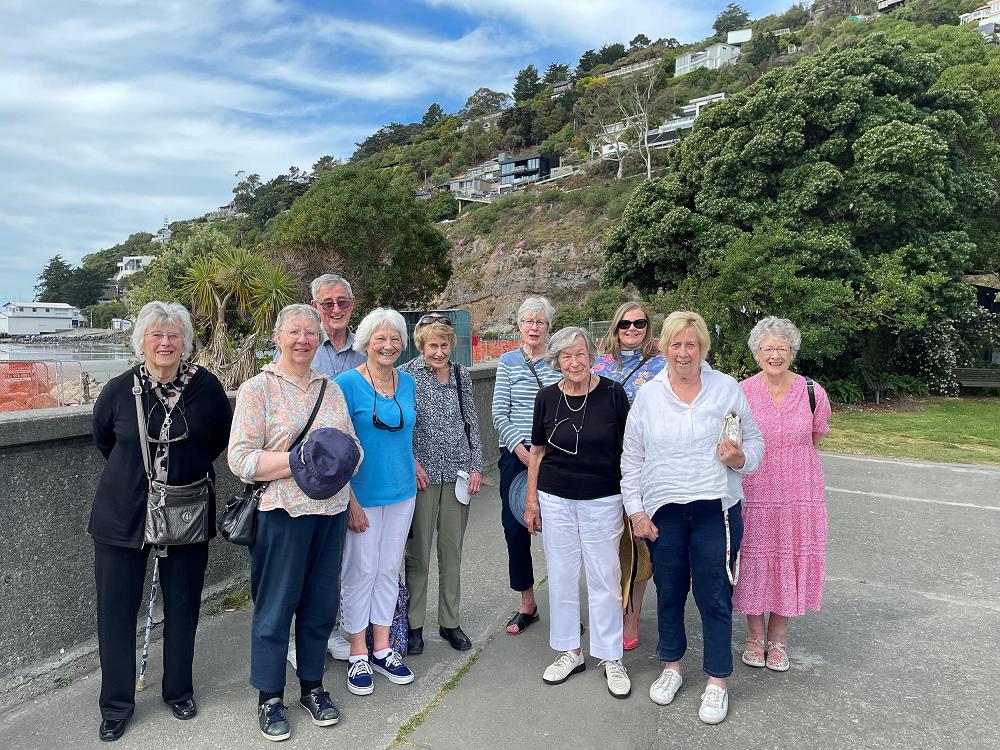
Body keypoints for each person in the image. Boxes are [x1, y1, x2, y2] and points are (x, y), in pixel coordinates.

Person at [90, 302, 232, 742]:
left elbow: (218, 440)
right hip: (122, 513)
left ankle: (178, 691)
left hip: (186, 510)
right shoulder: (119, 389)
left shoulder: (207, 389)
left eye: (173, 335)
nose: (165, 342)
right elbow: (104, 438)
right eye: (156, 334)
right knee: (116, 611)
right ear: (142, 342)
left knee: (184, 604)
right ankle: (116, 704)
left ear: (184, 341)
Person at [621, 311, 764, 725]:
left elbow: (754, 442)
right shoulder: (648, 396)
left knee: (714, 594)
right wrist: (636, 511)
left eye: (691, 344)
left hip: (715, 507)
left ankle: (717, 680)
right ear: (663, 347)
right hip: (664, 510)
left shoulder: (726, 388)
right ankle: (672, 666)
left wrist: (739, 458)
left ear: (703, 347)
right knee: (669, 591)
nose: (683, 352)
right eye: (676, 344)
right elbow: (631, 459)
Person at [228, 303, 360, 742]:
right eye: (294, 332)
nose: (303, 339)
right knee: (275, 608)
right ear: (278, 337)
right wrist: (305, 460)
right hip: (281, 513)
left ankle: (312, 687)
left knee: (320, 607)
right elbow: (241, 459)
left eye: (310, 332)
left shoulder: (331, 390)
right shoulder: (258, 389)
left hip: (331, 513)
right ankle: (269, 696)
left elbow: (352, 449)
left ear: (319, 338)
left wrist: (344, 460)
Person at [524, 327, 632, 698]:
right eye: (567, 356)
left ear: (592, 356)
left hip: (603, 497)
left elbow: (629, 449)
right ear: (557, 361)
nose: (575, 362)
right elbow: (537, 451)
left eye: (581, 354)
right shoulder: (546, 397)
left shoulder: (613, 394)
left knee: (605, 576)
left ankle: (610, 655)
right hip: (555, 498)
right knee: (561, 575)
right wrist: (532, 500)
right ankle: (569, 651)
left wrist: (632, 499)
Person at [733, 317, 831, 672]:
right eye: (768, 348)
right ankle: (754, 636)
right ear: (756, 352)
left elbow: (814, 439)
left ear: (793, 351)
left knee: (790, 557)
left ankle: (779, 639)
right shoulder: (740, 391)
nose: (775, 355)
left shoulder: (813, 392)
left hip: (798, 494)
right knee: (753, 559)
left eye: (782, 348)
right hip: (754, 490)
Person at [279, 273, 364, 667]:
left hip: (352, 472)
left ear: (352, 305)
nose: (335, 309)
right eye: (327, 303)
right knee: (298, 569)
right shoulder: (303, 349)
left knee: (336, 567)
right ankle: (297, 641)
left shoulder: (364, 351)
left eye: (342, 302)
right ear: (315, 306)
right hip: (303, 483)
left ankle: (329, 632)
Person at [335, 308, 418, 696]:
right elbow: (336, 449)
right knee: (360, 571)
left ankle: (382, 647)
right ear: (366, 343)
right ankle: (357, 652)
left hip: (402, 492)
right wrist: (349, 500)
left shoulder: (408, 382)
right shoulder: (345, 384)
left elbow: (405, 437)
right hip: (362, 495)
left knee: (388, 569)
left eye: (395, 338)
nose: (388, 345)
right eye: (380, 338)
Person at [400, 315, 484, 654]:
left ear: (452, 346)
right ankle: (414, 626)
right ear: (421, 346)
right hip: (422, 478)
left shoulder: (461, 375)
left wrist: (476, 467)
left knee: (451, 553)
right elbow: (399, 426)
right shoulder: (406, 376)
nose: (439, 352)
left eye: (444, 345)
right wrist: (411, 462)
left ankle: (450, 622)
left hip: (457, 476)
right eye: (433, 345)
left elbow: (472, 423)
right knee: (418, 556)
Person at [591, 301, 665, 652]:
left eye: (639, 323)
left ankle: (632, 615)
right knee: (607, 543)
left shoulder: (663, 364)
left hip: (646, 465)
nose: (632, 329)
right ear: (615, 327)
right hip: (604, 465)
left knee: (638, 542)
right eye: (625, 324)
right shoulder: (600, 364)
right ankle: (611, 610)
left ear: (649, 327)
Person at [490, 297, 562, 635]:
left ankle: (563, 606)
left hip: (555, 455)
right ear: (519, 326)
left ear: (549, 327)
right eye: (528, 322)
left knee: (559, 531)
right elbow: (498, 412)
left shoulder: (558, 361)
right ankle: (527, 604)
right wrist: (520, 449)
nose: (534, 328)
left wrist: (545, 450)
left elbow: (565, 406)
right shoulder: (508, 362)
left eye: (540, 322)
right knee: (515, 529)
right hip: (516, 456)